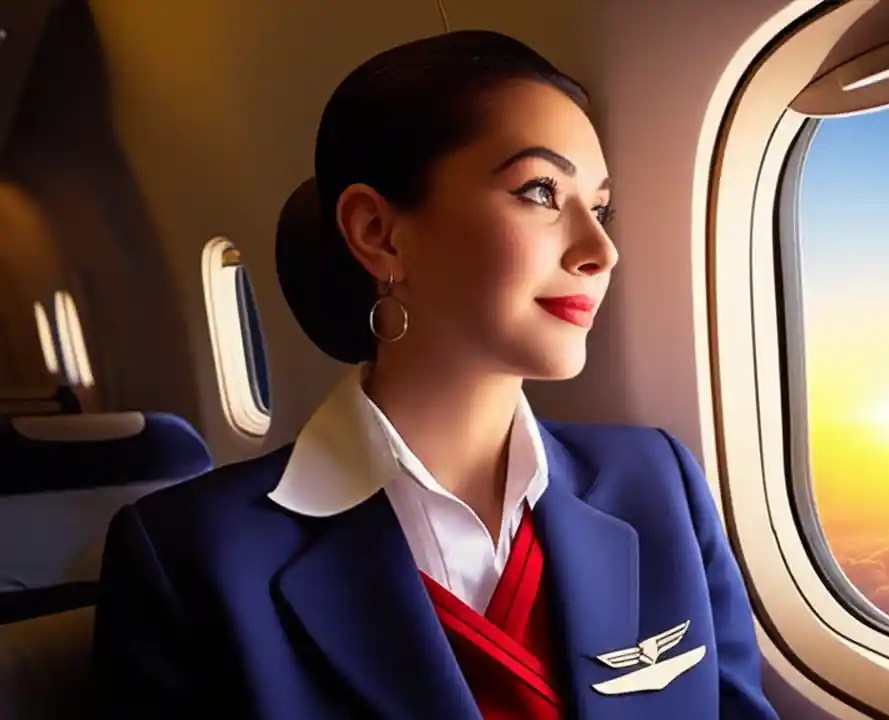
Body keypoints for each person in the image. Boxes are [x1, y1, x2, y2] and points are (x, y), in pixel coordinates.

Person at [90, 30, 779, 719]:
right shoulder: (190, 556)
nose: (601, 249)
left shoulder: (657, 481)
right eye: (540, 191)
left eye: (598, 208)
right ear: (379, 233)